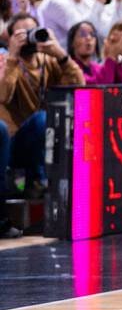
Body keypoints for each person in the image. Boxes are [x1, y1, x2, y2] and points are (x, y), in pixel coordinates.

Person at [0, 14, 84, 238]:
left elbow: (79, 85)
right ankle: (40, 181)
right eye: (22, 33)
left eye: (33, 31)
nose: (29, 38)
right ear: (10, 37)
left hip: (45, 139)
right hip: (15, 142)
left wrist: (60, 54)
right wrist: (12, 57)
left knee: (58, 117)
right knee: (41, 119)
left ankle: (52, 183)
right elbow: (2, 95)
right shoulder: (6, 60)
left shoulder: (48, 62)